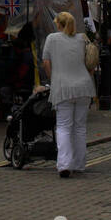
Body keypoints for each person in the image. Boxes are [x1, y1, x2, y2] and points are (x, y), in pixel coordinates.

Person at [41, 11, 96, 178]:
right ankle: (79, 164)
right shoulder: (82, 39)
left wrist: (54, 79)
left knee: (64, 127)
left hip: (63, 87)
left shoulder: (52, 39)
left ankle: (64, 164)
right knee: (79, 128)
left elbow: (46, 62)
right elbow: (91, 62)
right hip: (84, 87)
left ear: (59, 24)